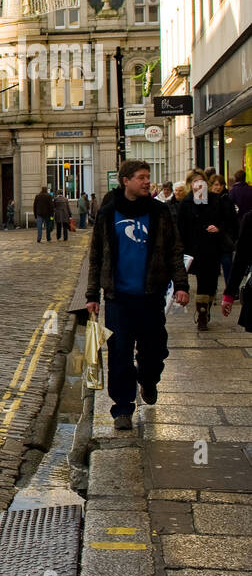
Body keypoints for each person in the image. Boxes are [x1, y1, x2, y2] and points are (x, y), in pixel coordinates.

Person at [86, 160, 190, 431]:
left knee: (155, 350)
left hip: (151, 295)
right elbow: (96, 256)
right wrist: (92, 294)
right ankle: (122, 408)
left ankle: (149, 379)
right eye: (141, 177)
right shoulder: (109, 213)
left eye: (148, 177)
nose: (147, 182)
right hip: (118, 298)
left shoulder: (160, 212)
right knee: (119, 354)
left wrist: (181, 285)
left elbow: (174, 250)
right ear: (126, 181)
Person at [178, 170, 238, 332]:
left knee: (211, 282)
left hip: (213, 247)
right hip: (195, 248)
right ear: (190, 185)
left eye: (202, 182)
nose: (200, 185)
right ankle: (202, 314)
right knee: (203, 280)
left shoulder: (215, 200)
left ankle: (206, 308)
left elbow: (229, 221)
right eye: (196, 182)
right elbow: (181, 228)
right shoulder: (186, 203)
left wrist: (219, 228)